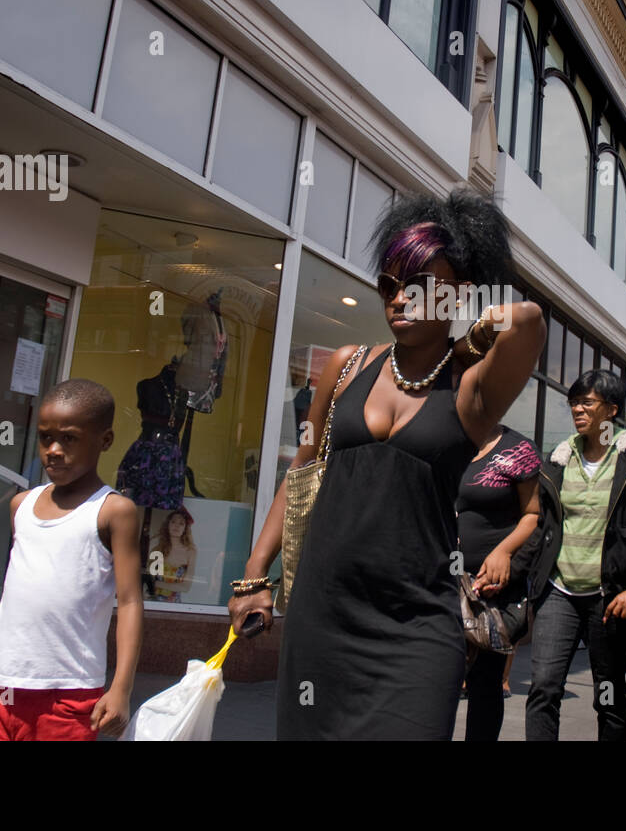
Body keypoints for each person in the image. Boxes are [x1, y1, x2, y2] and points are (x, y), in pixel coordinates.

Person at [228, 191, 545, 739]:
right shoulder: (345, 366)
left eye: (420, 287)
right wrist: (256, 572)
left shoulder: (470, 391)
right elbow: (301, 470)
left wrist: (473, 330)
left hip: (417, 622)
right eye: (389, 285)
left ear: (458, 294)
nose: (399, 299)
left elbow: (529, 319)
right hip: (323, 613)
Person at [0, 379, 143, 740]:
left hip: (69, 698)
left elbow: (129, 602)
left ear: (104, 441)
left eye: (70, 439)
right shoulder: (21, 505)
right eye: (46, 437)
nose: (54, 450)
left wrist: (120, 688)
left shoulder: (113, 512)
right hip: (0, 690)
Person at [524, 369, 626, 741]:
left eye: (587, 402)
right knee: (543, 687)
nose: (577, 409)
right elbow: (541, 528)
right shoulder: (561, 458)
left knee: (608, 694)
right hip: (558, 591)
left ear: (611, 410)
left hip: (610, 598)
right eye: (574, 402)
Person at [455, 423, 542, 740]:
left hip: (491, 587)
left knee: (484, 682)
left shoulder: (518, 449)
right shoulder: (447, 440)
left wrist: (503, 553)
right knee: (436, 675)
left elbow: (534, 514)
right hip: (443, 578)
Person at [150, 508, 196, 603]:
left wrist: (158, 583)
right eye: (173, 522)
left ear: (185, 528)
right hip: (153, 603)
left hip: (175, 605)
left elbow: (186, 587)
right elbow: (149, 580)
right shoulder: (157, 549)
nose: (176, 526)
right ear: (168, 525)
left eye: (181, 523)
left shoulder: (190, 552)